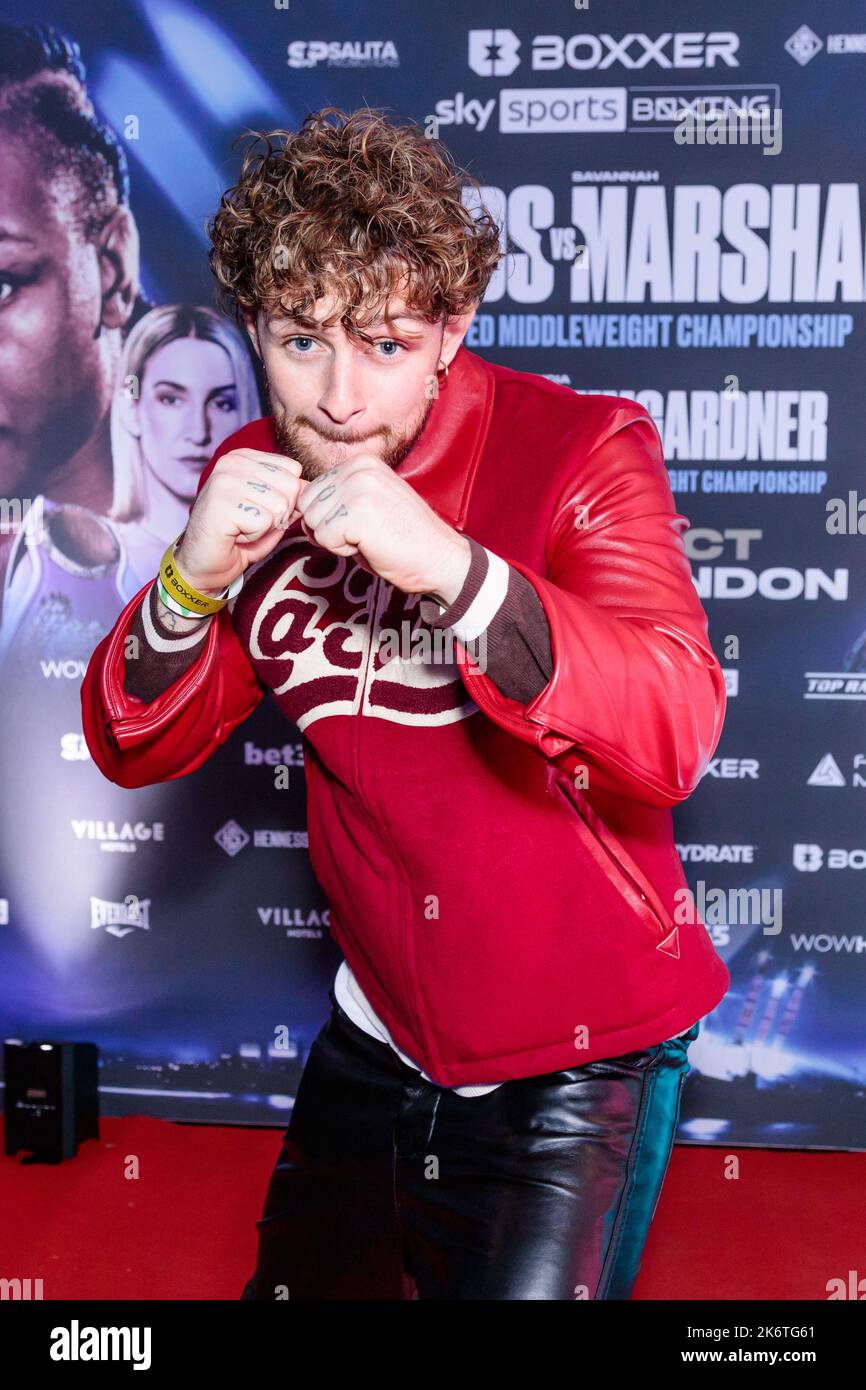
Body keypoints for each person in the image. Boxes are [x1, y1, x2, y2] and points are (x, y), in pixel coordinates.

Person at [81, 106, 730, 1300]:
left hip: (571, 1059)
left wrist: (457, 569)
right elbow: (135, 743)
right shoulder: (262, 480)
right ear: (253, 332)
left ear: (450, 330)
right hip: (375, 1029)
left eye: (382, 342)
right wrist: (187, 578)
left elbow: (676, 727)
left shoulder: (580, 448)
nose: (336, 395)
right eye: (298, 341)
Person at [106, 303, 262, 601]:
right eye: (171, 400)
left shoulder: (273, 563)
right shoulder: (72, 559)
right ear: (131, 408)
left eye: (222, 403)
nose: (199, 432)